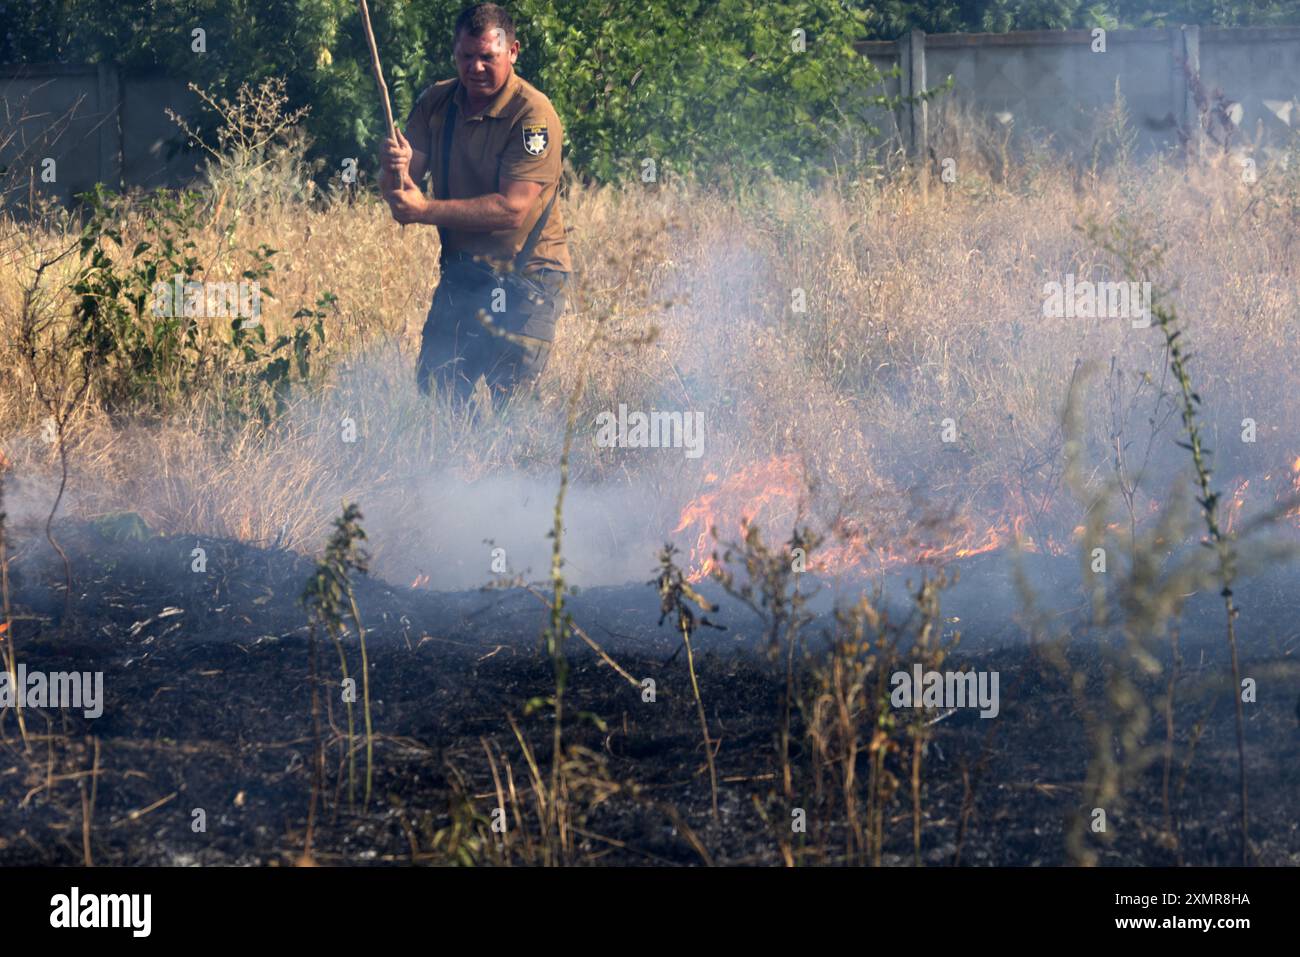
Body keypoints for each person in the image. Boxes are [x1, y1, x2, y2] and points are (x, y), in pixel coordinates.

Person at [379, 3, 572, 400]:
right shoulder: (437, 101)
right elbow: (402, 195)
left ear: (513, 52)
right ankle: (462, 462)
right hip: (465, 274)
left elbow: (511, 209)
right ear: (455, 53)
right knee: (439, 387)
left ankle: (511, 464)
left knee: (511, 400)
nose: (476, 68)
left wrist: (424, 211)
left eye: (488, 57)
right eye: (467, 56)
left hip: (528, 275)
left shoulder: (533, 115)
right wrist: (394, 171)